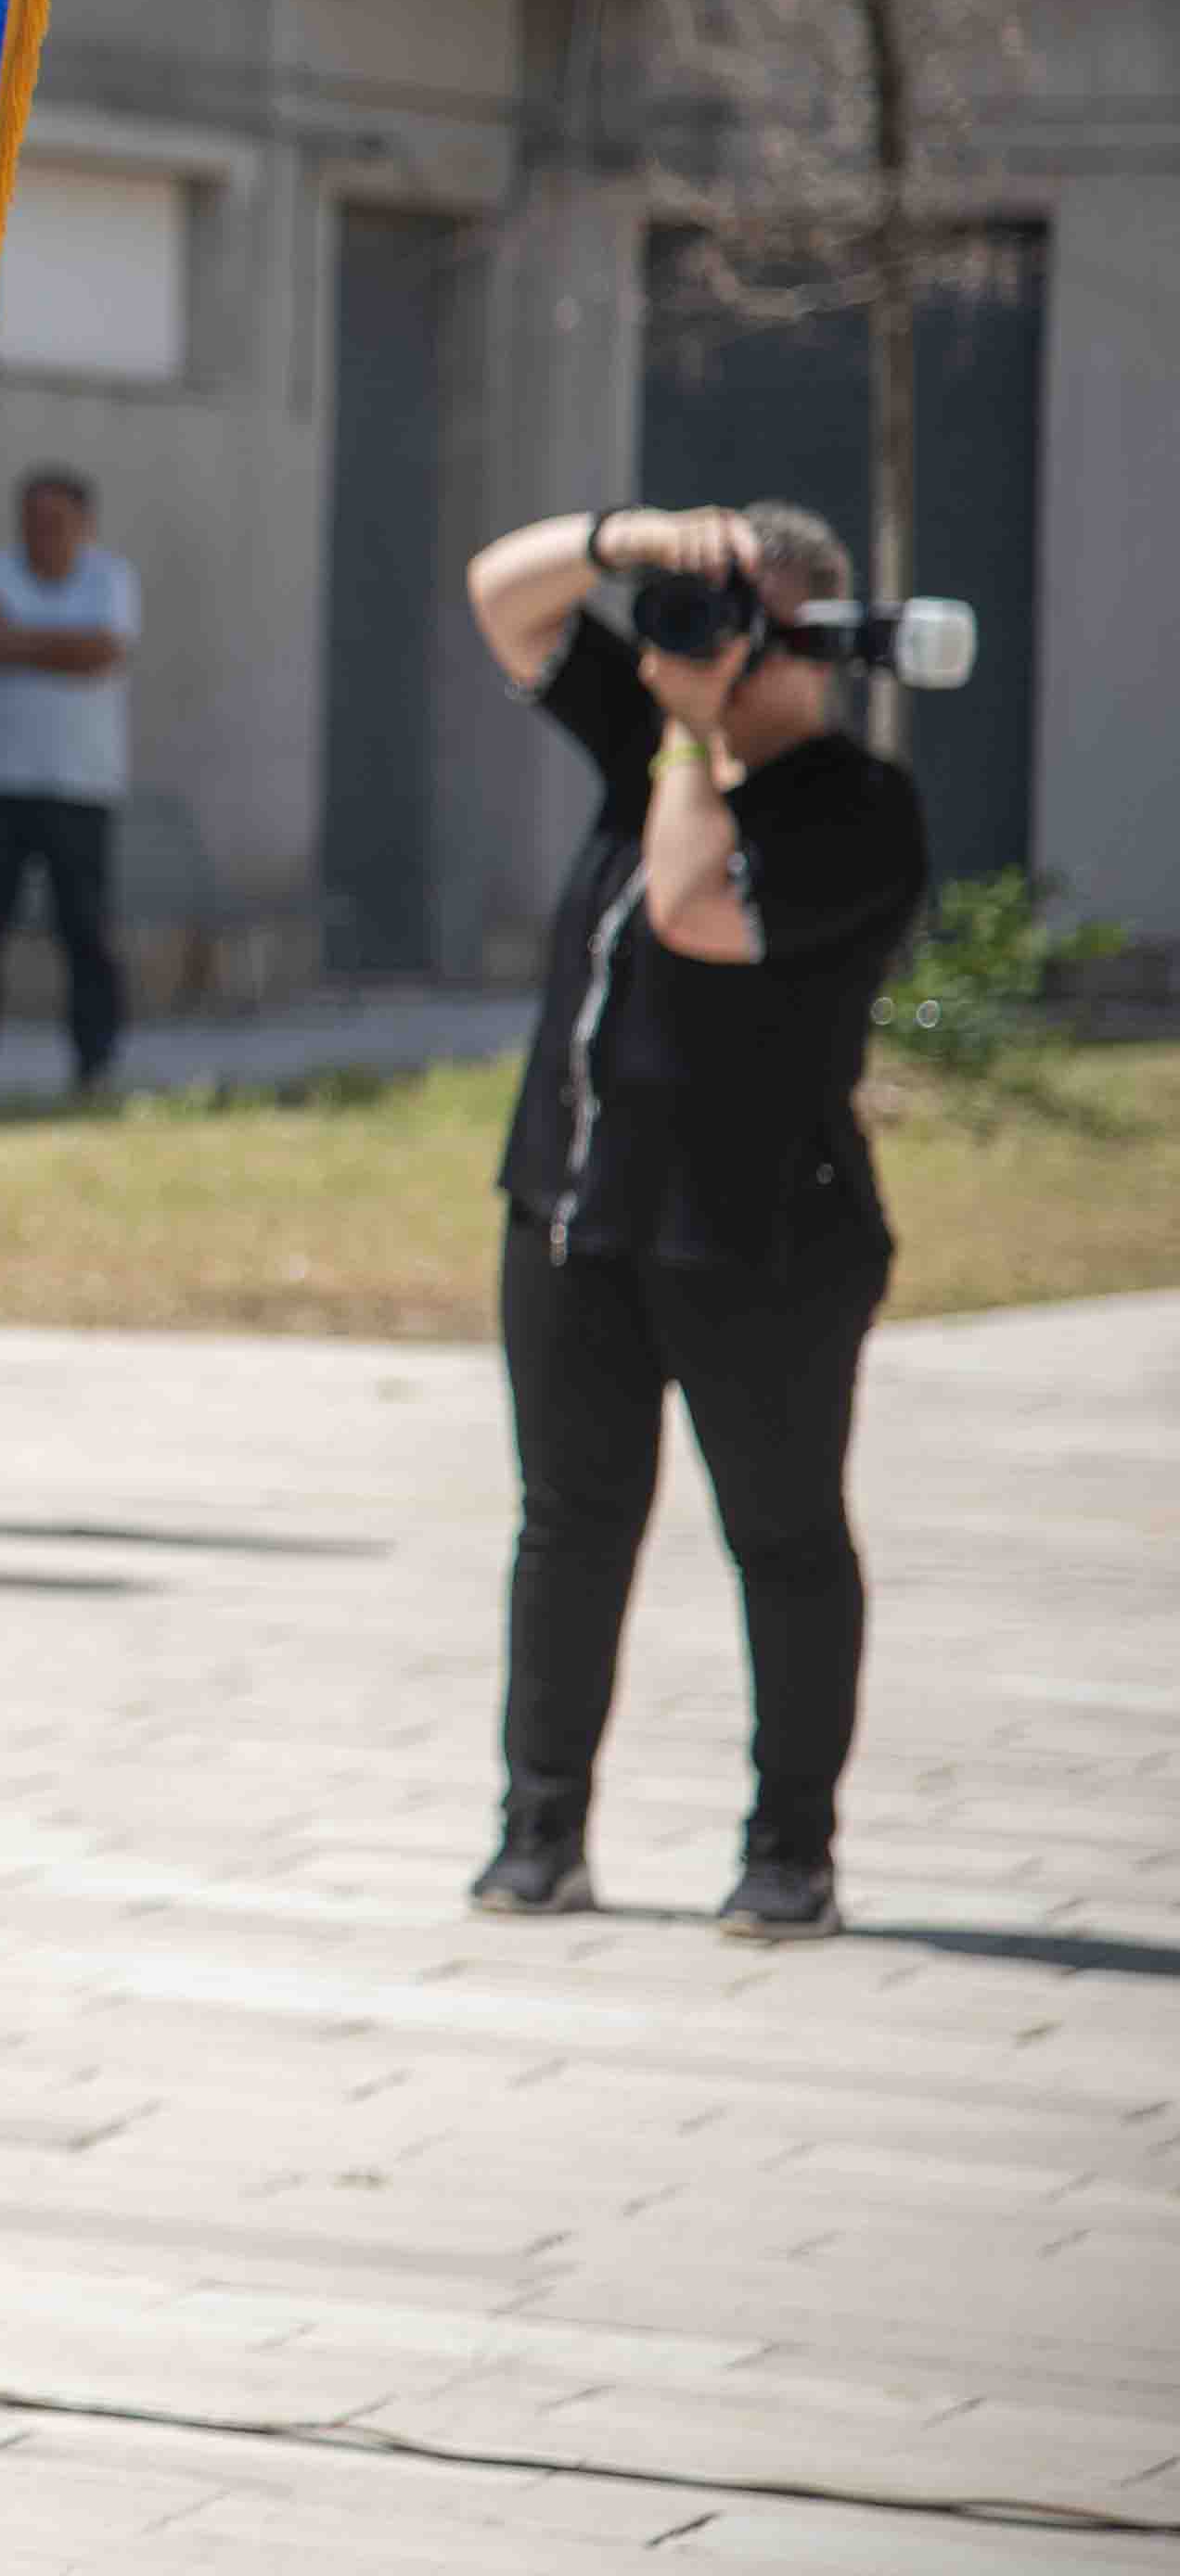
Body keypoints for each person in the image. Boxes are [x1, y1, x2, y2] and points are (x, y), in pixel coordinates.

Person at [457, 499, 927, 1947]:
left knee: (782, 1537)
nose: (698, 636)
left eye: (738, 618)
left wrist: (682, 731)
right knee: (569, 1525)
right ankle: (541, 1830)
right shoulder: (653, 731)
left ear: (816, 644)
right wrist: (628, 538)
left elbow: (691, 904)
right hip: (576, 1218)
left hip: (763, 1238)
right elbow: (500, 595)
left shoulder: (859, 810)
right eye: (695, 609)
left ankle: (791, 1851)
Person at [0, 464, 135, 1096]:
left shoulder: (110, 579)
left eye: (54, 522)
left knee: (85, 929)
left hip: (80, 786)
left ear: (85, 525)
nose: (40, 533)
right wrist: (62, 646)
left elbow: (102, 654)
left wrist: (18, 640)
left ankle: (96, 1061)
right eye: (30, 521)